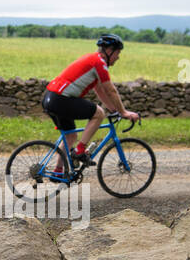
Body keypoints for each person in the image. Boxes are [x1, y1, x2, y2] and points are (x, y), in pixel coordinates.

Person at [43, 34, 139, 172]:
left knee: (70, 135)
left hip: (51, 98)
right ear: (109, 50)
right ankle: (80, 150)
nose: (118, 57)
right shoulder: (99, 62)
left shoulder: (92, 59)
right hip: (61, 99)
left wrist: (113, 109)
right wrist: (123, 112)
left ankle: (58, 171)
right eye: (118, 53)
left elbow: (99, 89)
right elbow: (110, 90)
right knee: (99, 113)